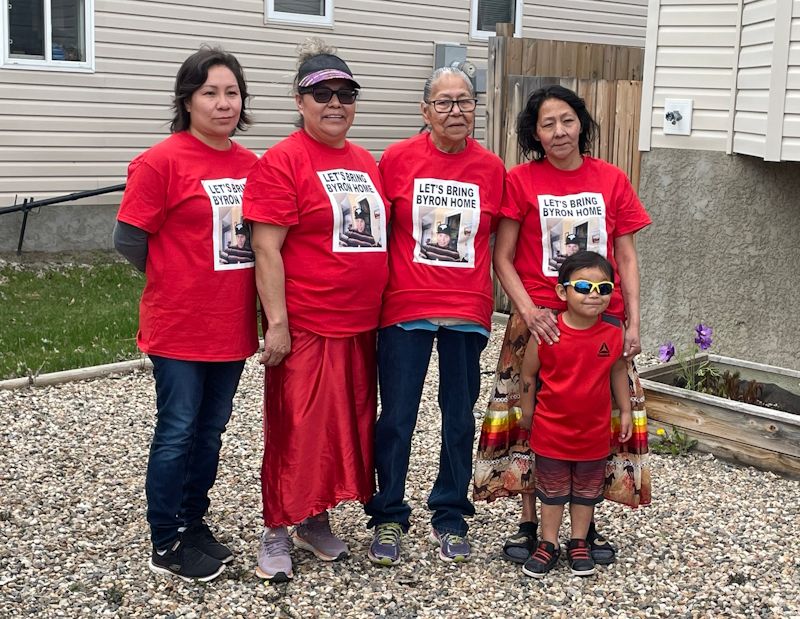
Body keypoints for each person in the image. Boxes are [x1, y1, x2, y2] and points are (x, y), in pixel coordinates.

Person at [473, 84, 652, 566]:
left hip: (601, 321)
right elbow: (502, 256)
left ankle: (583, 526)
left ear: (582, 124)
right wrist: (529, 311)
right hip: (540, 322)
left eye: (567, 121)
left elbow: (627, 258)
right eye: (547, 124)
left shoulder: (611, 179)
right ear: (535, 133)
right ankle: (532, 524)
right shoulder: (520, 180)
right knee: (531, 420)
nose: (559, 131)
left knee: (597, 416)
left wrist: (632, 319)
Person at [242, 38, 389, 583]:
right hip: (306, 322)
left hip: (359, 323)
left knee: (341, 428)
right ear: (300, 102)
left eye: (345, 93)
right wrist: (277, 323)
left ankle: (315, 517)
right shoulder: (282, 161)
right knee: (296, 428)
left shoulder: (362, 160)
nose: (335, 103)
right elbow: (266, 247)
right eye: (321, 93)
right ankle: (276, 526)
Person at [113, 46, 258, 582]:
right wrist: (177, 276)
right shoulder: (162, 161)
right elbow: (128, 239)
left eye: (232, 93)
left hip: (232, 325)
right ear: (188, 99)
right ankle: (165, 539)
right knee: (176, 429)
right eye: (210, 93)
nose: (223, 103)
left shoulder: (251, 166)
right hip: (179, 326)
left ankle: (193, 522)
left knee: (211, 430)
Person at [364, 67, 505, 565]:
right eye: (444, 103)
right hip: (406, 308)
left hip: (466, 310)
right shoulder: (397, 159)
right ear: (425, 111)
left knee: (458, 417)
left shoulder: (492, 168)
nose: (455, 112)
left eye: (464, 102)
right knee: (397, 417)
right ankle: (387, 515)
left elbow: (506, 244)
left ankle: (450, 513)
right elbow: (372, 233)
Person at [517, 251, 632, 578]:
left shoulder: (613, 333)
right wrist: (527, 412)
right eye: (583, 286)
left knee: (586, 492)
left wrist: (625, 410)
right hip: (551, 432)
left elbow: (618, 372)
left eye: (603, 287)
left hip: (594, 435)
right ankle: (548, 543)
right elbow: (528, 376)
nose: (594, 295)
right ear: (561, 292)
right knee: (551, 493)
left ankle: (578, 541)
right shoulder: (547, 333)